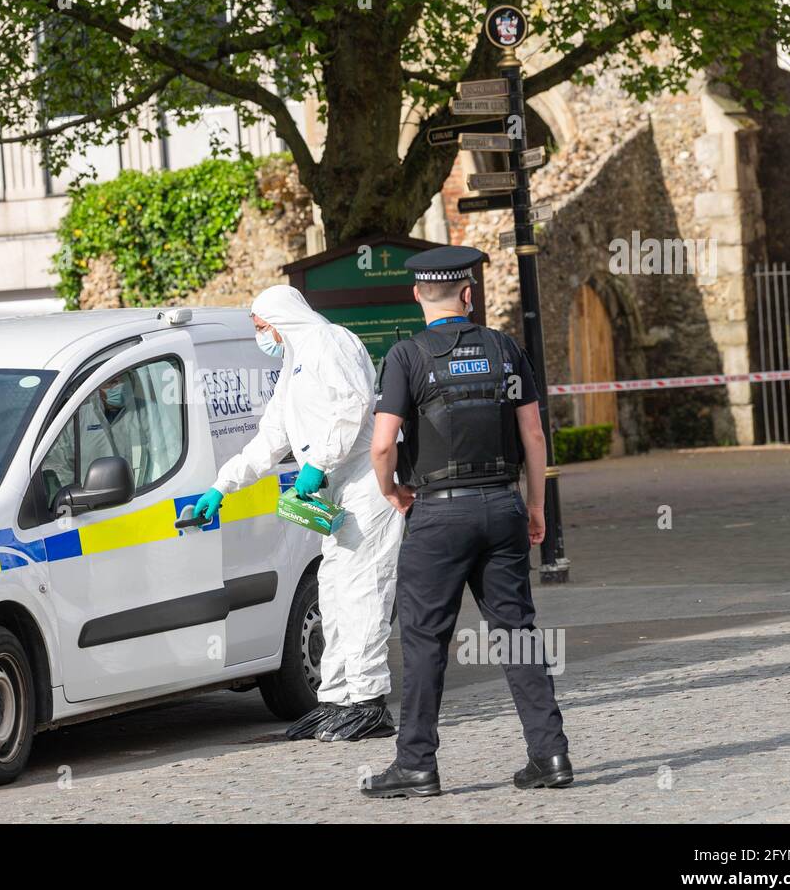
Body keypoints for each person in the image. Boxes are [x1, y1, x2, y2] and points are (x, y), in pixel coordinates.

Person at [363, 245, 572, 798]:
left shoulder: (406, 358)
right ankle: (550, 755)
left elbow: (382, 445)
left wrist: (393, 492)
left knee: (426, 640)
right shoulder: (504, 350)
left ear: (417, 295)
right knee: (518, 633)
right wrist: (533, 506)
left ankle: (416, 766)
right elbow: (532, 436)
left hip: (438, 513)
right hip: (501, 506)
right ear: (468, 294)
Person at [193, 285, 405, 742]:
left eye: (260, 326)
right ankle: (336, 698)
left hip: (367, 482)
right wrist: (221, 486)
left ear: (281, 319)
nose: (260, 336)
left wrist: (317, 464)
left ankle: (369, 701)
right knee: (332, 593)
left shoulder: (332, 342)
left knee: (363, 591)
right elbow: (269, 438)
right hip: (337, 488)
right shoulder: (294, 362)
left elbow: (354, 404)